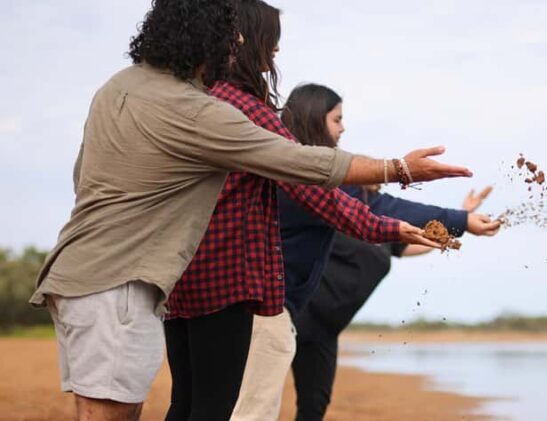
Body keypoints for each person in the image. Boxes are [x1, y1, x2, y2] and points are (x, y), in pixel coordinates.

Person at [29, 1, 471, 420]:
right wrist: (398, 169)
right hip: (172, 284)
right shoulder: (208, 109)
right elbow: (305, 170)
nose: (245, 46)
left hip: (96, 277)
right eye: (237, 37)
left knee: (177, 406)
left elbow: (83, 177)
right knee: (198, 409)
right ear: (217, 37)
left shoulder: (119, 87)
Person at [163, 2, 451, 419]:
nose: (275, 52)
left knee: (186, 405)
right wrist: (395, 183)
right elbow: (318, 189)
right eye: (271, 41)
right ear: (243, 39)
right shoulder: (249, 112)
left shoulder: (199, 99)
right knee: (216, 409)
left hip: (181, 279)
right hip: (228, 286)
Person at [229, 82, 500, 421]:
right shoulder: (309, 178)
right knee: (252, 412)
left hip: (311, 323)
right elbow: (389, 207)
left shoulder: (332, 193)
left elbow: (404, 236)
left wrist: (457, 226)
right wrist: (461, 219)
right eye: (337, 119)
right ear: (315, 119)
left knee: (304, 408)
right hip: (272, 311)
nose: (343, 128)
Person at [292, 186, 490, 421]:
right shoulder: (336, 216)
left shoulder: (382, 229)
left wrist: (462, 216)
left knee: (314, 406)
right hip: (297, 314)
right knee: (258, 394)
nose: (377, 187)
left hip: (327, 331)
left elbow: (416, 243)